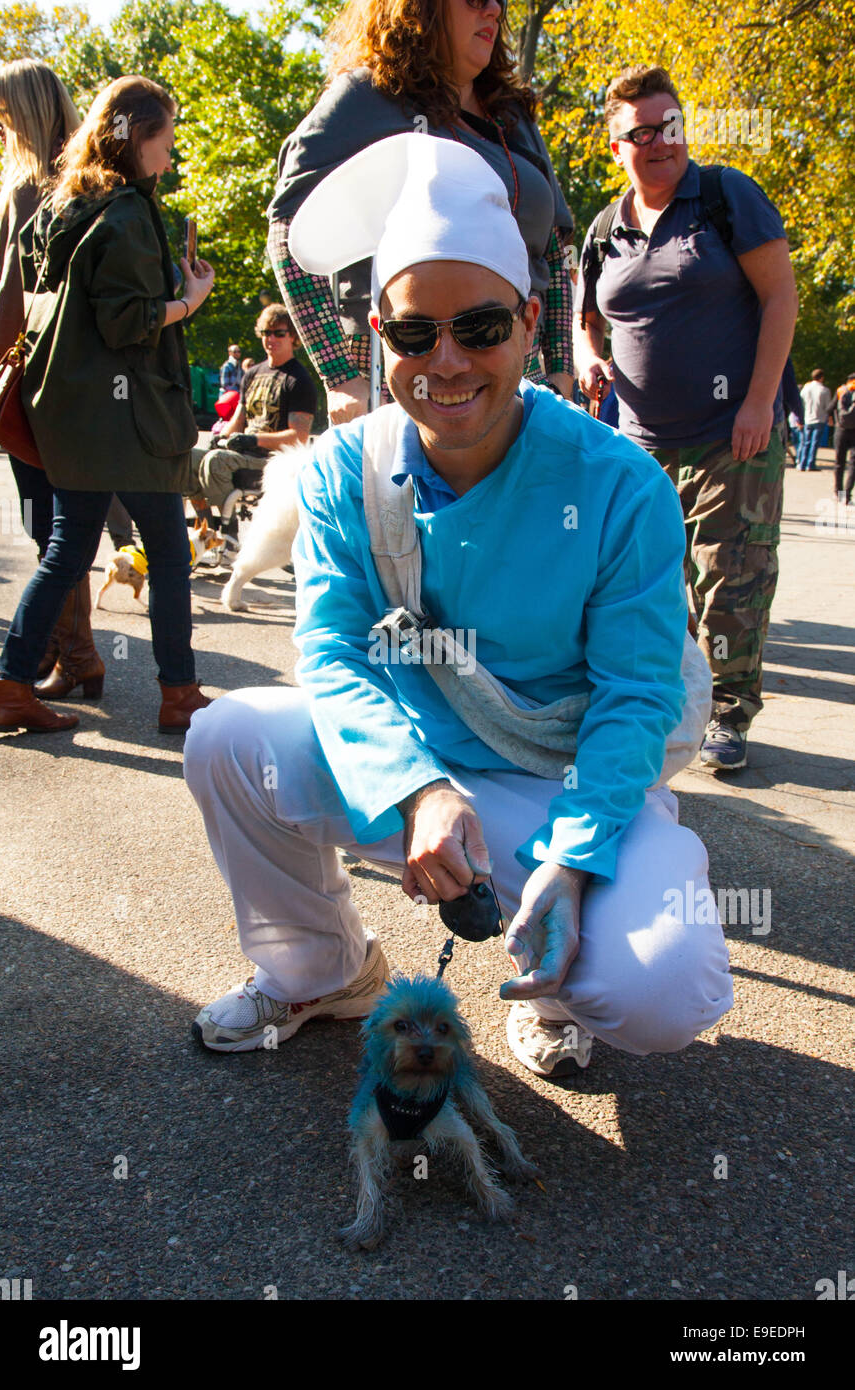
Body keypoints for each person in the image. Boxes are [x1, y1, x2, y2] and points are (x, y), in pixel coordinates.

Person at [183, 134, 732, 1083]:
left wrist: (577, 854)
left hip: (561, 784)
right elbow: (333, 654)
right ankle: (320, 969)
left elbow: (637, 695)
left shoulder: (618, 484)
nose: (446, 362)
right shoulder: (342, 474)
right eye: (412, 334)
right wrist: (417, 790)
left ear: (528, 324)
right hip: (410, 772)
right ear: (376, 336)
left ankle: (559, 983)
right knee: (226, 739)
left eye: (478, 327)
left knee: (665, 990)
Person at [574, 65, 798, 773]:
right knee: (650, 585)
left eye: (668, 126)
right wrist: (588, 357)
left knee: (730, 579)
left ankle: (728, 714)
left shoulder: (726, 197)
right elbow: (586, 318)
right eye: (639, 133)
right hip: (638, 446)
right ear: (617, 148)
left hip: (733, 434)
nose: (658, 142)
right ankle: (671, 705)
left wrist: (760, 401)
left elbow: (781, 297)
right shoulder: (605, 227)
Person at [0, 76, 216, 736]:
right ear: (137, 140)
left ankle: (9, 687)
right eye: (165, 142)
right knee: (170, 555)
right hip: (128, 421)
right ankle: (179, 695)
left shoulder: (65, 204)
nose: (170, 159)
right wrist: (189, 299)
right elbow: (127, 324)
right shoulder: (128, 215)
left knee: (65, 552)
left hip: (70, 416)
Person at [267, 0, 575, 426]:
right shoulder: (367, 98)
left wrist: (561, 371)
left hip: (522, 373)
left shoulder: (514, 117)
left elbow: (553, 252)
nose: (493, 11)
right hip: (412, 368)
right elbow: (287, 229)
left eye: (500, 2)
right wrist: (339, 375)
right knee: (416, 493)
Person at [0, 59, 86, 684]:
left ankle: (73, 655)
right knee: (61, 523)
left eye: (0, 117)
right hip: (67, 379)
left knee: (50, 525)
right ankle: (74, 653)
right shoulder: (76, 179)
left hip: (30, 379)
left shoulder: (29, 187)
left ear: (22, 113)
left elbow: (10, 302)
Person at [186, 303, 316, 540]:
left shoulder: (298, 380)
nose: (271, 339)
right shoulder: (252, 373)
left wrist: (252, 438)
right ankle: (207, 530)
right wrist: (222, 436)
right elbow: (238, 418)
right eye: (267, 332)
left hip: (272, 461)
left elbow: (298, 437)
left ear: (293, 337)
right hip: (241, 453)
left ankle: (229, 531)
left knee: (216, 462)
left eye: (279, 333)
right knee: (187, 460)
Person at [797, 368, 834, 471]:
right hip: (819, 418)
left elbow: (801, 403)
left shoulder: (806, 388)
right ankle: (810, 464)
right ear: (821, 377)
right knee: (814, 443)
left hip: (807, 418)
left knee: (806, 442)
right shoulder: (824, 390)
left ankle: (802, 463)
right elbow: (828, 407)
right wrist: (830, 419)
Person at [832, 371, 855, 505]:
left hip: (841, 430)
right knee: (853, 465)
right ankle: (847, 495)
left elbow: (829, 408)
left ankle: (839, 493)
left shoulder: (841, 391)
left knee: (839, 463)